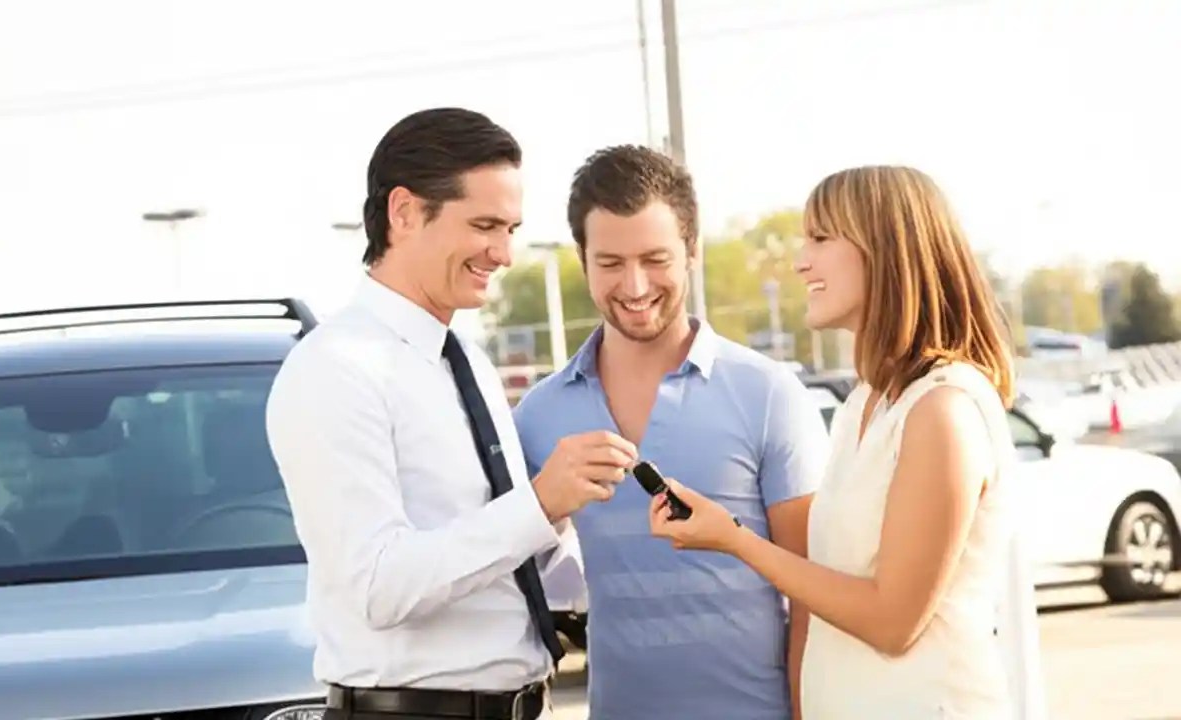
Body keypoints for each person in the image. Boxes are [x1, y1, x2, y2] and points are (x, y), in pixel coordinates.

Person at [266, 107, 636, 720]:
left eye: (512, 227)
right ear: (405, 213)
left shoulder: (465, 361)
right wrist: (540, 502)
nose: (505, 252)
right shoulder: (334, 371)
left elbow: (496, 560)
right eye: (486, 225)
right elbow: (378, 588)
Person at [649, 165, 1045, 718]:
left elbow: (892, 622)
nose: (800, 261)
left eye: (820, 238)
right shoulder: (866, 404)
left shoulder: (942, 410)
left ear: (884, 249)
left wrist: (735, 540)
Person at [512, 145, 829, 720]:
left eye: (654, 259)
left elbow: (812, 595)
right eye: (609, 263)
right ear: (582, 259)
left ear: (692, 252)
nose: (634, 286)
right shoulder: (539, 416)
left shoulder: (768, 395)